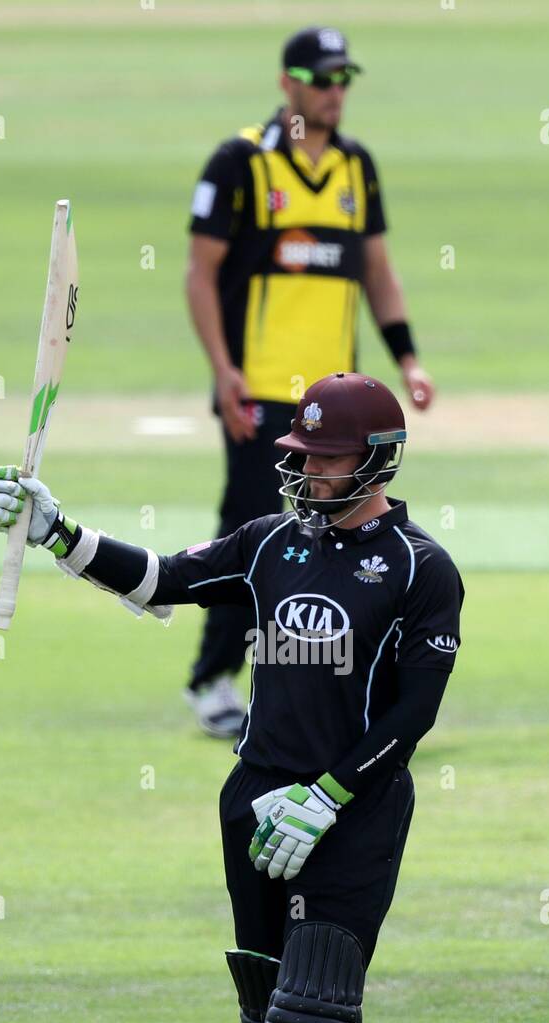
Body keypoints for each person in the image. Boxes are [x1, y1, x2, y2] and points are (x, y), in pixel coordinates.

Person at [0, 372, 462, 1023]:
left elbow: (415, 714)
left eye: (324, 459)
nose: (306, 472)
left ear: (376, 462)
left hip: (351, 817)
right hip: (253, 806)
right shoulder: (271, 544)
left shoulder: (419, 569)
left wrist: (328, 795)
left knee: (312, 1009)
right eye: (302, 456)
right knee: (271, 1009)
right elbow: (163, 582)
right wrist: (58, 531)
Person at [183, 24, 434, 738]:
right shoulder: (242, 162)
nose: (333, 93)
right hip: (258, 392)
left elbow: (378, 272)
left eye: (342, 79)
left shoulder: (357, 168)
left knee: (348, 534)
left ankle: (332, 683)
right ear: (287, 82)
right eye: (321, 79)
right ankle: (211, 681)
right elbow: (199, 275)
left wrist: (408, 357)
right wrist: (223, 370)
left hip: (335, 403)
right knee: (255, 536)